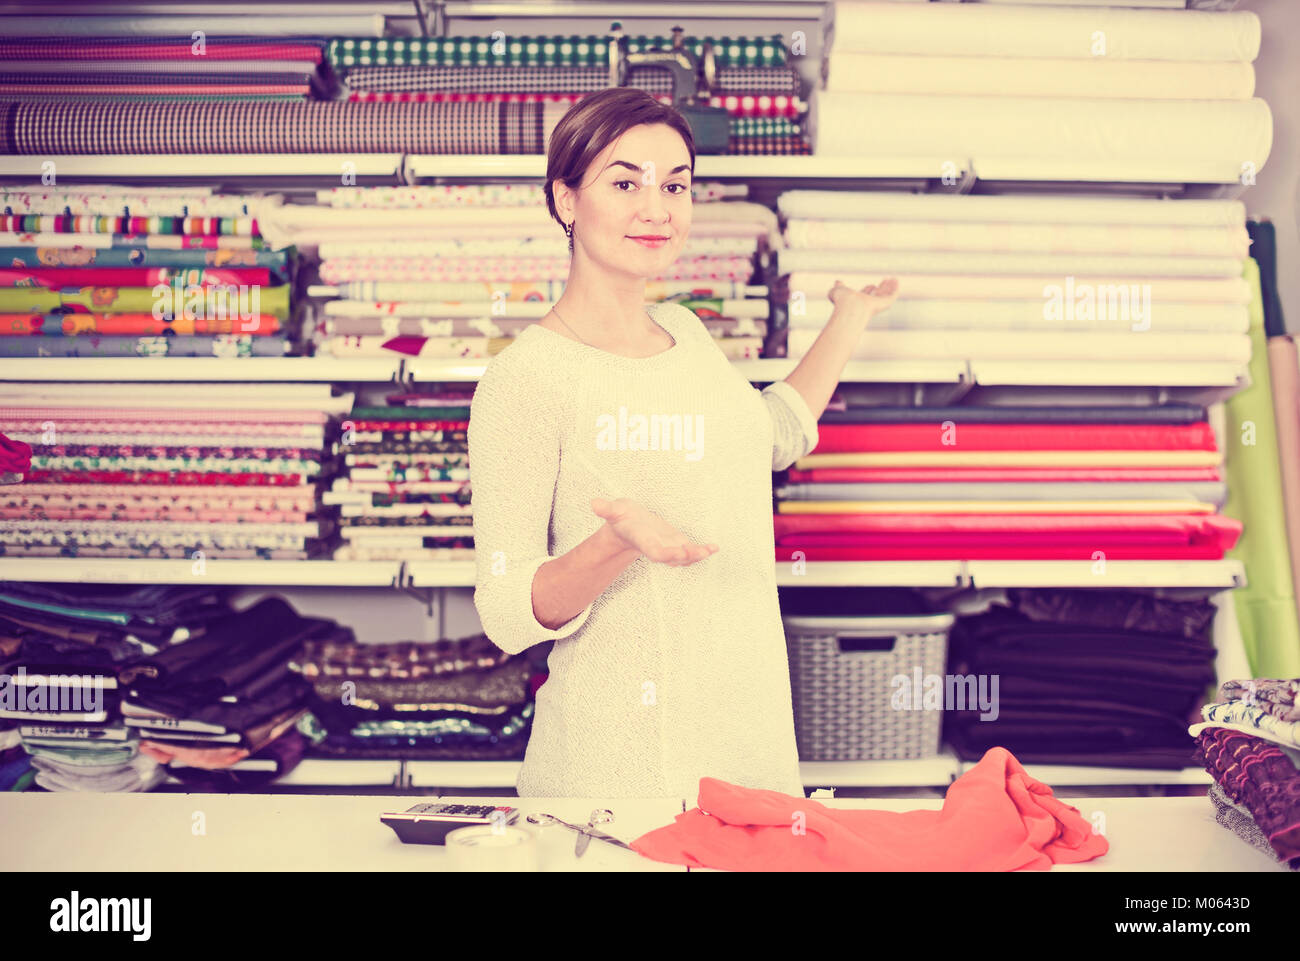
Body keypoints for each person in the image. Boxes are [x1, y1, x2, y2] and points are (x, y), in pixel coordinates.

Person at [469, 87, 898, 798]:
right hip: (618, 772)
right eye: (625, 181)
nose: (657, 208)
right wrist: (616, 543)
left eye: (676, 184)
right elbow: (507, 612)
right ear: (566, 199)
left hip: (747, 746)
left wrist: (850, 318)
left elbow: (773, 435)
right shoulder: (527, 378)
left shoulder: (687, 334)